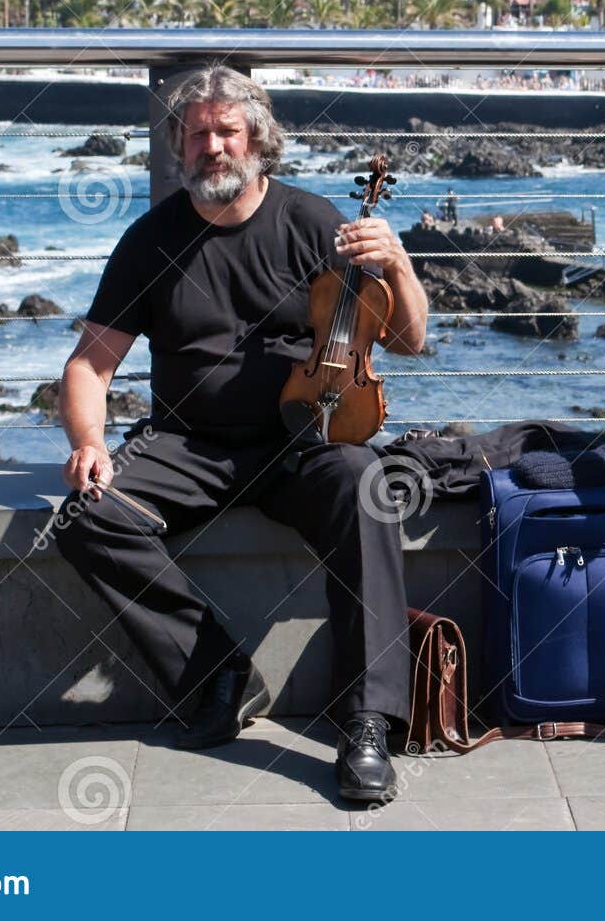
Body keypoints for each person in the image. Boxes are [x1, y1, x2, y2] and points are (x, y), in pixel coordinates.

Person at [50, 65, 428, 804]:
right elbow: (90, 364)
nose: (213, 146)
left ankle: (367, 725)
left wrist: (400, 265)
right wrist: (90, 442)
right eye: (198, 134)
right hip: (186, 445)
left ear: (257, 139)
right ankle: (218, 672)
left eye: (228, 131)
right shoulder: (151, 239)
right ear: (178, 148)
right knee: (88, 514)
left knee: (367, 486)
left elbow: (409, 341)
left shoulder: (314, 222)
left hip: (303, 442)